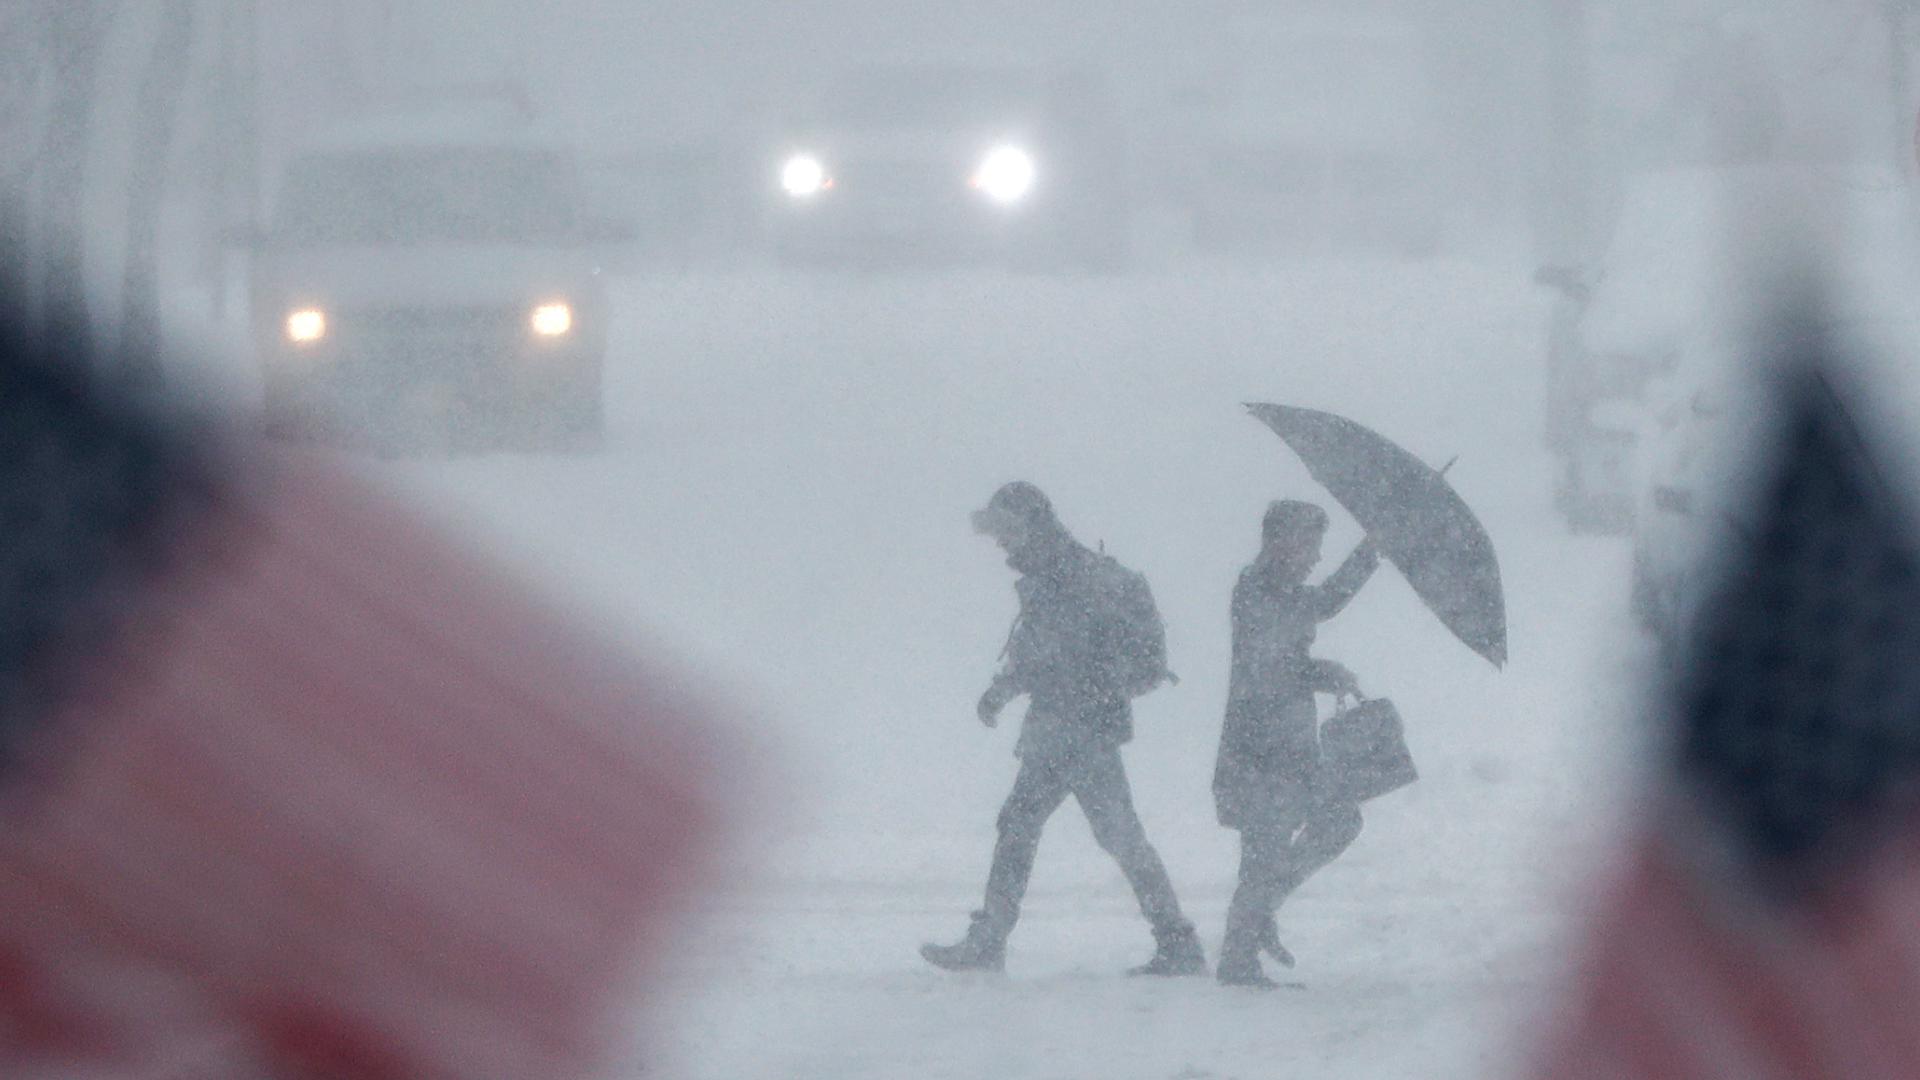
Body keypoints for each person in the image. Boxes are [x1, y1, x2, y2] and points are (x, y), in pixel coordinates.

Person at [921, 481, 1204, 976]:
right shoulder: (1056, 571)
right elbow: (1049, 653)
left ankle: (1174, 940)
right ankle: (1174, 939)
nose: (1000, 542)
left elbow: (1056, 655)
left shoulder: (1068, 575)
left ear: (1031, 524)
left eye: (1005, 530)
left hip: (1077, 728)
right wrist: (1008, 689)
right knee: (1060, 828)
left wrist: (1012, 688)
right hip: (1072, 725)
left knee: (1090, 831)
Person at [1212, 499, 1379, 988]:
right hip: (1262, 746)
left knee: (1303, 834)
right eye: (1311, 544)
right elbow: (1270, 668)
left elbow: (1326, 601)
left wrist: (1372, 549)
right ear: (1281, 541)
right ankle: (1243, 948)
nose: (1315, 557)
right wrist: (1322, 672)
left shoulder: (1281, 591)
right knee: (1279, 843)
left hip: (1281, 742)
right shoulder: (1257, 591)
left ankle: (1250, 929)